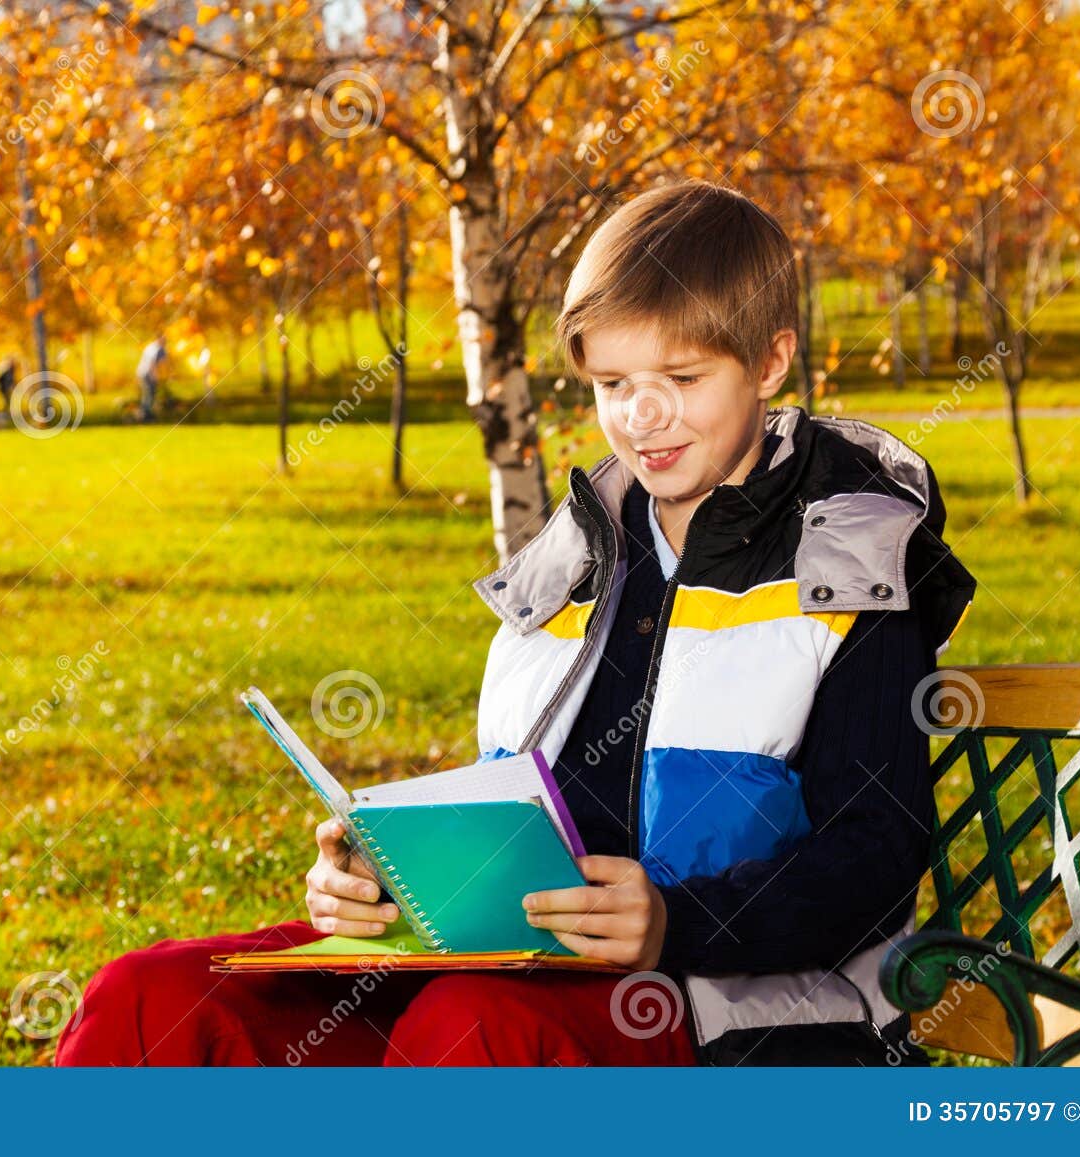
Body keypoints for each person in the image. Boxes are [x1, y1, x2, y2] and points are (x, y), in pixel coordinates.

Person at [55, 179, 977, 1067]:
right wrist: (390, 881)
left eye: (681, 376)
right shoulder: (574, 559)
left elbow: (875, 856)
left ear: (770, 361)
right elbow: (513, 817)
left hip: (720, 1010)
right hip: (507, 977)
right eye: (613, 382)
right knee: (154, 997)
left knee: (470, 1030)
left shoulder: (851, 569)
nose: (643, 414)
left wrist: (673, 921)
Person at [136, 334, 167, 420]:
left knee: (149, 394)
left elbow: (162, 362)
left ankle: (146, 414)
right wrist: (155, 375)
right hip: (146, 373)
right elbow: (152, 364)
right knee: (149, 394)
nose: (165, 341)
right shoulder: (155, 349)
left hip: (145, 373)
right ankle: (145, 416)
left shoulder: (156, 348)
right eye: (163, 339)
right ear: (158, 339)